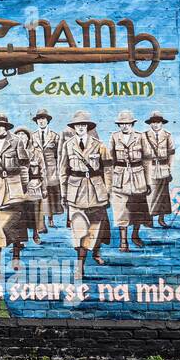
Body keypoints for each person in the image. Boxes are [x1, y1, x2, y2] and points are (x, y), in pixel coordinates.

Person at [59, 110, 112, 282]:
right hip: (75, 192)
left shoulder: (99, 145)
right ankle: (79, 265)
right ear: (74, 128)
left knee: (94, 230)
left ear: (88, 127)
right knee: (78, 230)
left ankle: (90, 254)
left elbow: (108, 170)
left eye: (83, 125)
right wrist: (64, 194)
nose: (80, 128)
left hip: (96, 191)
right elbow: (63, 171)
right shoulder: (68, 145)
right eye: (77, 125)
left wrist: (108, 191)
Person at [0, 113, 31, 280]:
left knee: (15, 225)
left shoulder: (17, 141)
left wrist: (24, 187)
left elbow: (24, 165)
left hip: (14, 186)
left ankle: (16, 254)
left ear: (7, 127)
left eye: (1, 125)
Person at [108, 109, 151, 251]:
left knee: (138, 209)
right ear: (118, 125)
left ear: (132, 124)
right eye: (122, 124)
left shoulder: (140, 137)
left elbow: (146, 160)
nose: (125, 126)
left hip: (138, 177)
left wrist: (148, 181)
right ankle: (123, 241)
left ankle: (135, 235)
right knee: (120, 210)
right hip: (120, 178)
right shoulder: (114, 137)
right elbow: (110, 161)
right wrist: (110, 181)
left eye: (127, 123)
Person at [32, 108, 63, 229]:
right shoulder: (33, 136)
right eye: (39, 119)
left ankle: (50, 218)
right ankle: (42, 220)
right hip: (38, 169)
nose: (41, 121)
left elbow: (59, 154)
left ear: (47, 121)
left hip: (51, 170)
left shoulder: (54, 136)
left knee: (50, 194)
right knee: (40, 194)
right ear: (37, 121)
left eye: (43, 119)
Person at [143, 110, 175, 227]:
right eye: (153, 122)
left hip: (163, 167)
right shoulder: (144, 136)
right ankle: (149, 219)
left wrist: (169, 168)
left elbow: (171, 153)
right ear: (150, 124)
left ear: (162, 123)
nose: (156, 125)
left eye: (158, 122)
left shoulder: (167, 135)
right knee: (149, 194)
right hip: (150, 168)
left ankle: (161, 219)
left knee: (163, 195)